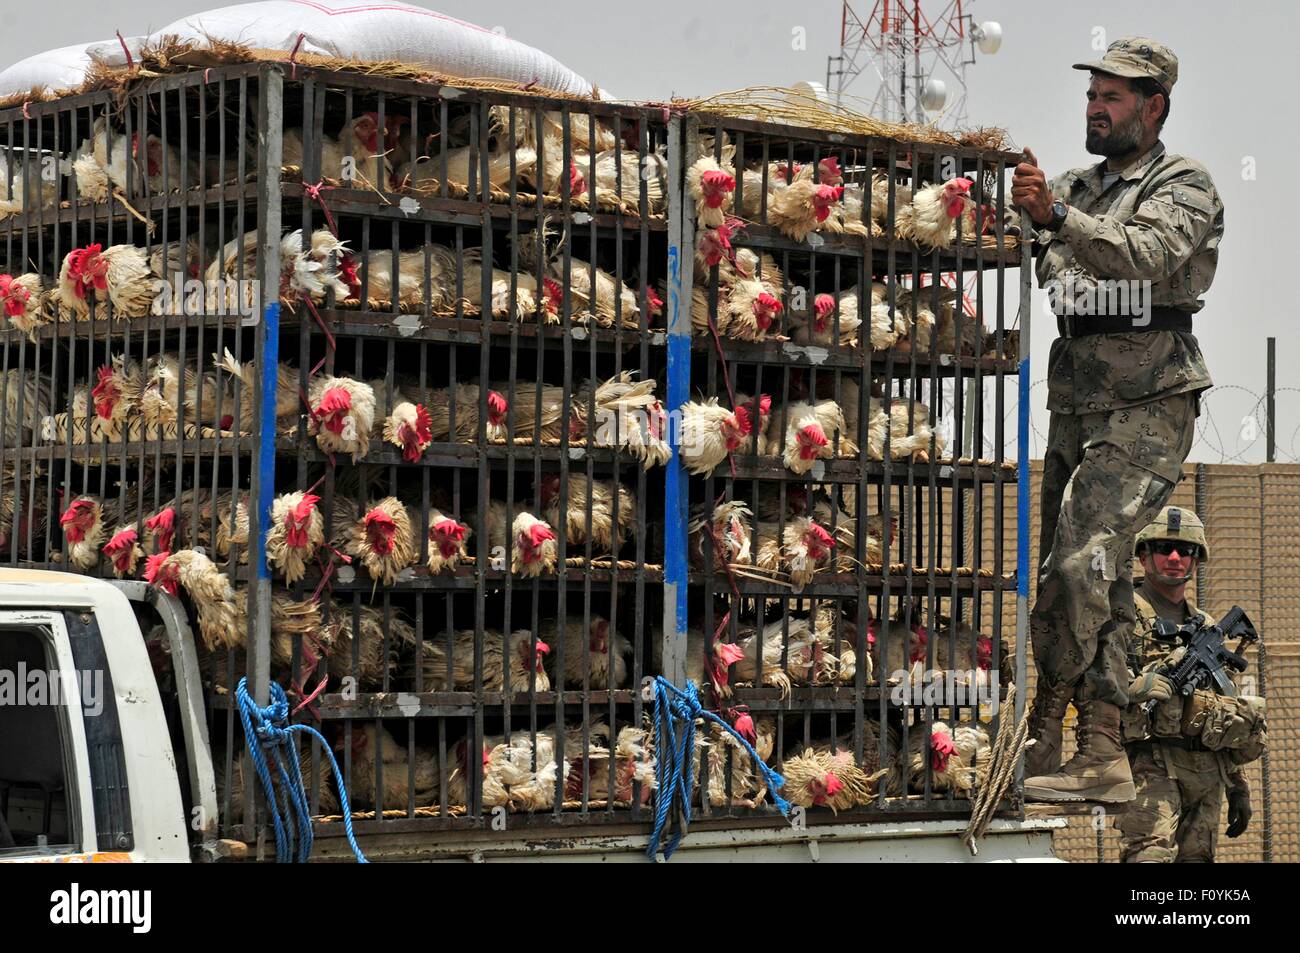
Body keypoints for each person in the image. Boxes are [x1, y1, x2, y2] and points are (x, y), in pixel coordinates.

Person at [1010, 37, 1225, 802]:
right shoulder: (1073, 187)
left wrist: (1061, 222)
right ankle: (1061, 738)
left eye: (1112, 98)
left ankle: (1087, 735)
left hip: (1149, 400)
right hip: (1076, 398)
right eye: (1092, 97)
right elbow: (1045, 259)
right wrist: (1033, 214)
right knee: (1067, 577)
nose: (1095, 110)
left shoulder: (1183, 183)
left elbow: (1146, 253)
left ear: (1153, 105)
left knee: (1083, 564)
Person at [1116, 506, 1266, 861]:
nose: (1174, 557)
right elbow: (1091, 682)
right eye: (1163, 548)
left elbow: (1224, 706)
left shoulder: (1206, 624)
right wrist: (1133, 687)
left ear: (1196, 560)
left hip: (1207, 769)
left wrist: (1239, 785)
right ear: (1142, 556)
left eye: (1185, 551)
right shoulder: (1122, 615)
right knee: (1148, 858)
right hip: (1150, 766)